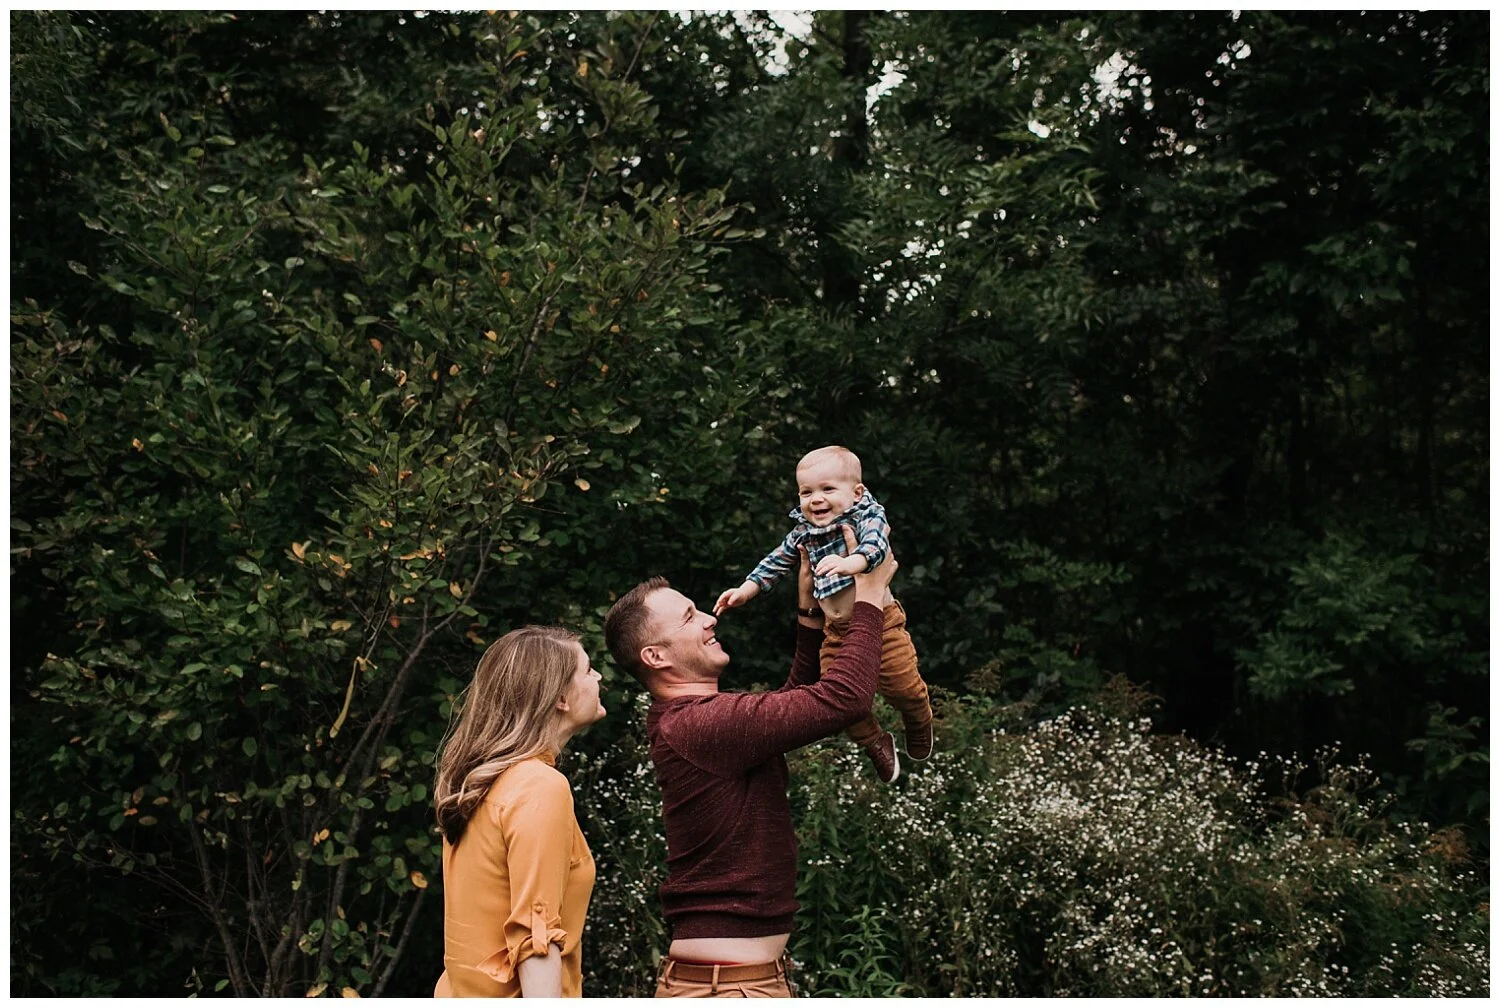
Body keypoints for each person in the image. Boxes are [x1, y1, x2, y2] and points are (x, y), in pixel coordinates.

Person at [604, 530, 898, 998]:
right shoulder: (700, 725)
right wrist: (870, 597)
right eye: (688, 617)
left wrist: (807, 614)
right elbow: (844, 699)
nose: (707, 619)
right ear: (655, 656)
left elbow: (790, 705)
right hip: (726, 988)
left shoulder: (696, 723)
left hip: (734, 982)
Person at [714, 445, 933, 783]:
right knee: (839, 702)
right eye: (806, 491)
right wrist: (746, 589)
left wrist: (851, 563)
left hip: (883, 624)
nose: (816, 499)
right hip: (835, 631)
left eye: (828, 489)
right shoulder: (804, 530)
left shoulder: (866, 516)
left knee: (903, 688)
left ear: (856, 492)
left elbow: (876, 548)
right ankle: (875, 741)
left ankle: (918, 721)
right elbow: (777, 560)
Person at [432, 625, 607, 997]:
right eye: (588, 669)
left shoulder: (480, 784)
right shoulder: (539, 786)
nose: (599, 677)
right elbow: (536, 940)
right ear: (560, 697)